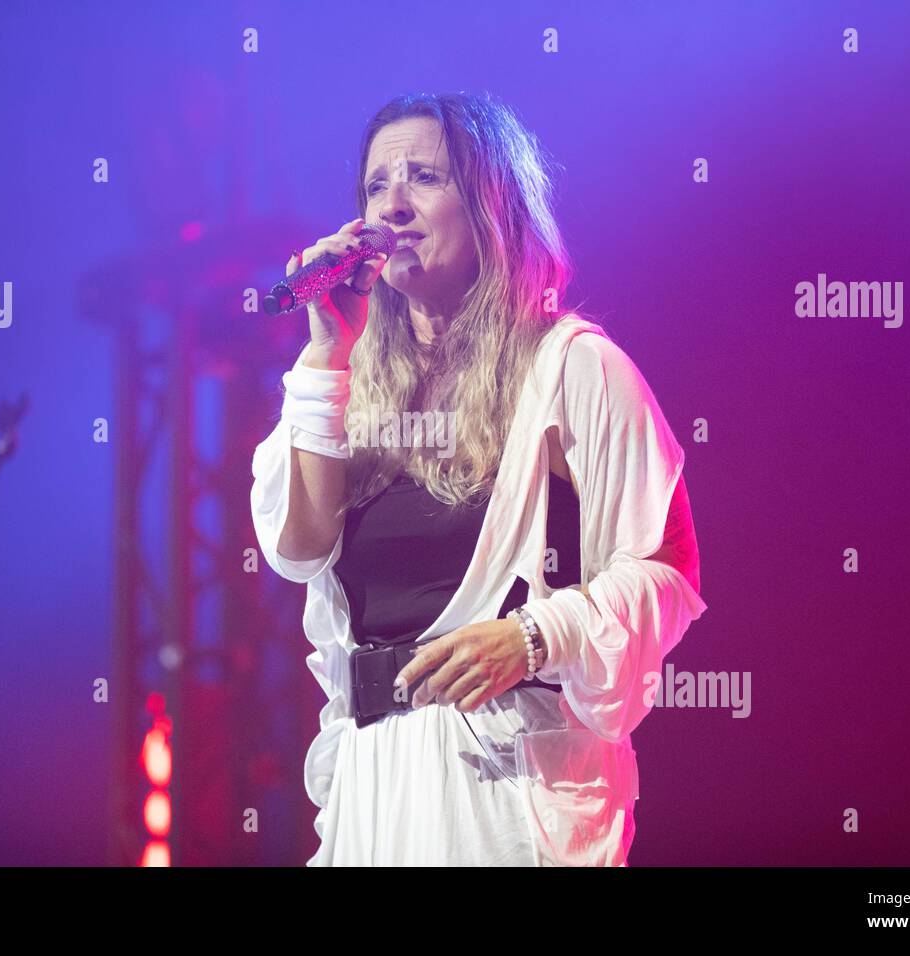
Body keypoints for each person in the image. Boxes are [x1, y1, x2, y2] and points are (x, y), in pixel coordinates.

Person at [250, 91, 707, 866]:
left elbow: (670, 571)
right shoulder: (341, 381)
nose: (391, 206)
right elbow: (298, 548)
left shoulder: (572, 367)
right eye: (374, 186)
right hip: (377, 781)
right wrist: (327, 355)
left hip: (504, 781)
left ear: (492, 205)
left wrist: (535, 636)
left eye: (423, 177)